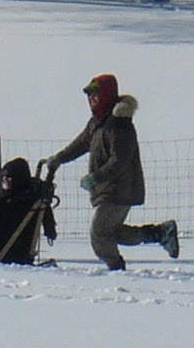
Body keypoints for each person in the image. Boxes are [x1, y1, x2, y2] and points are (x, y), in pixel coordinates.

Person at [39, 73, 179, 270]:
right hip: (109, 188)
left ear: (106, 96)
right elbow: (81, 143)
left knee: (99, 234)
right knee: (111, 232)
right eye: (89, 96)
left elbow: (120, 160)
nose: (91, 100)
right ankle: (160, 233)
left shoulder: (119, 124)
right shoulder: (98, 122)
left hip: (120, 188)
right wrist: (59, 158)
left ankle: (116, 268)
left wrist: (96, 177)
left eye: (95, 95)